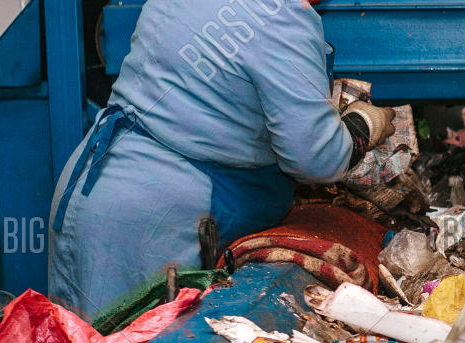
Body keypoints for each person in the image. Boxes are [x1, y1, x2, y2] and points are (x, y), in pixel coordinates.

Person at [47, 0, 392, 318]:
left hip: (97, 191)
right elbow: (315, 159)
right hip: (153, 227)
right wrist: (362, 127)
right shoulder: (281, 19)